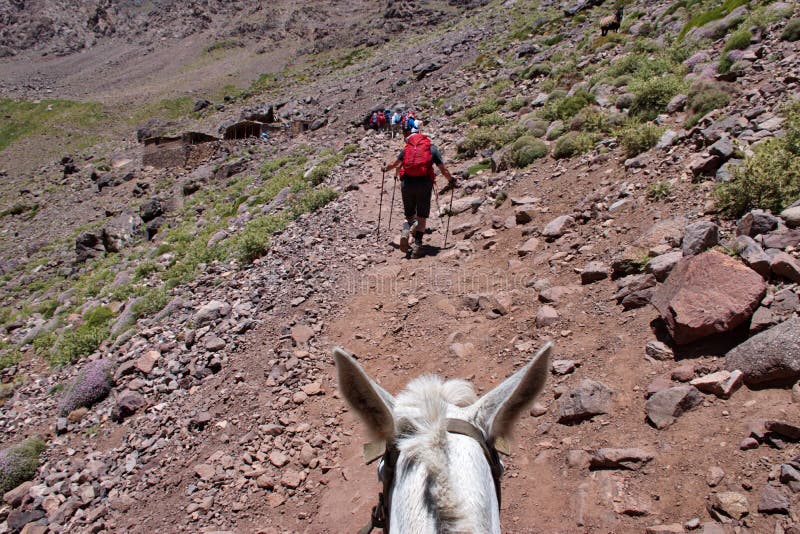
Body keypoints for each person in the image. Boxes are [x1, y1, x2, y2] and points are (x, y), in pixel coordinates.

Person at [383, 123, 455, 258]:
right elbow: (443, 169)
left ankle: (405, 231)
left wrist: (384, 169)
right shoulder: (431, 149)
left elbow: (395, 164)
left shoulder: (407, 149)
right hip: (424, 184)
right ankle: (417, 246)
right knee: (421, 217)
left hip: (407, 184)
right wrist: (451, 180)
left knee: (409, 215)